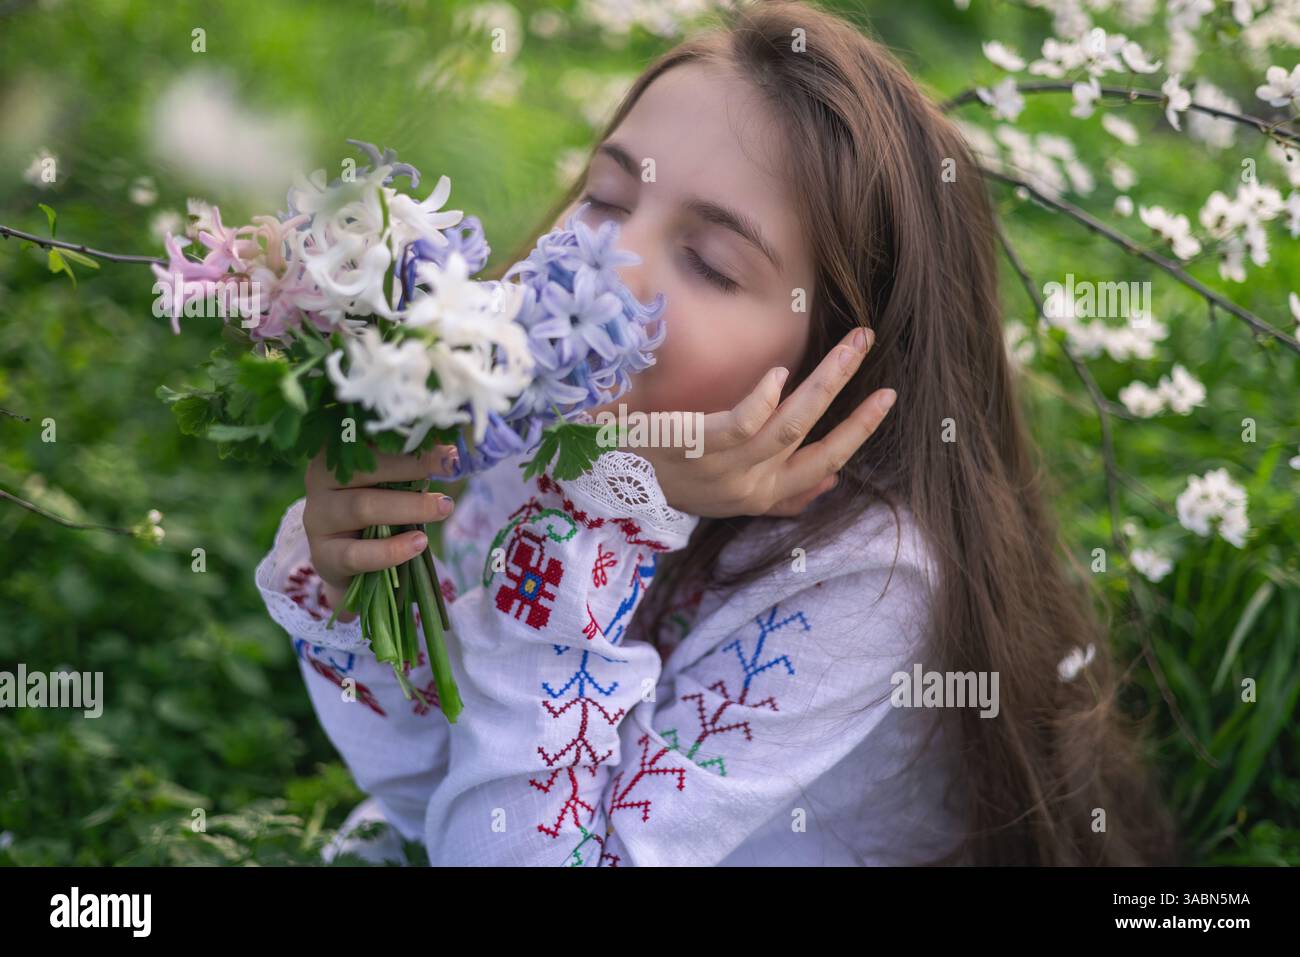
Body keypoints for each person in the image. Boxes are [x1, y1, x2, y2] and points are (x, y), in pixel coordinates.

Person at [257, 0, 1174, 866]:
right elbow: (447, 798)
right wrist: (363, 589)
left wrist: (593, 515)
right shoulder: (556, 428)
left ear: (838, 359)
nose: (605, 263)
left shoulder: (871, 574)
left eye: (708, 261)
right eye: (608, 198)